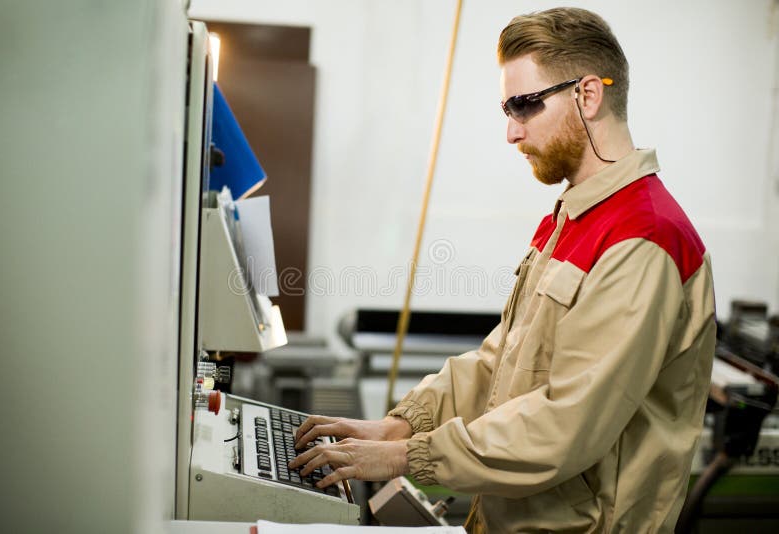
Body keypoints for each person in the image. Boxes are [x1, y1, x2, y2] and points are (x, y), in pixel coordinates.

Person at [289, 7, 716, 532]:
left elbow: (567, 423)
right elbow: (501, 363)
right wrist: (399, 426)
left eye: (525, 106)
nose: (512, 133)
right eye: (506, 110)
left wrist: (409, 458)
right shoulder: (572, 217)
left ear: (588, 95)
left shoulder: (644, 236)